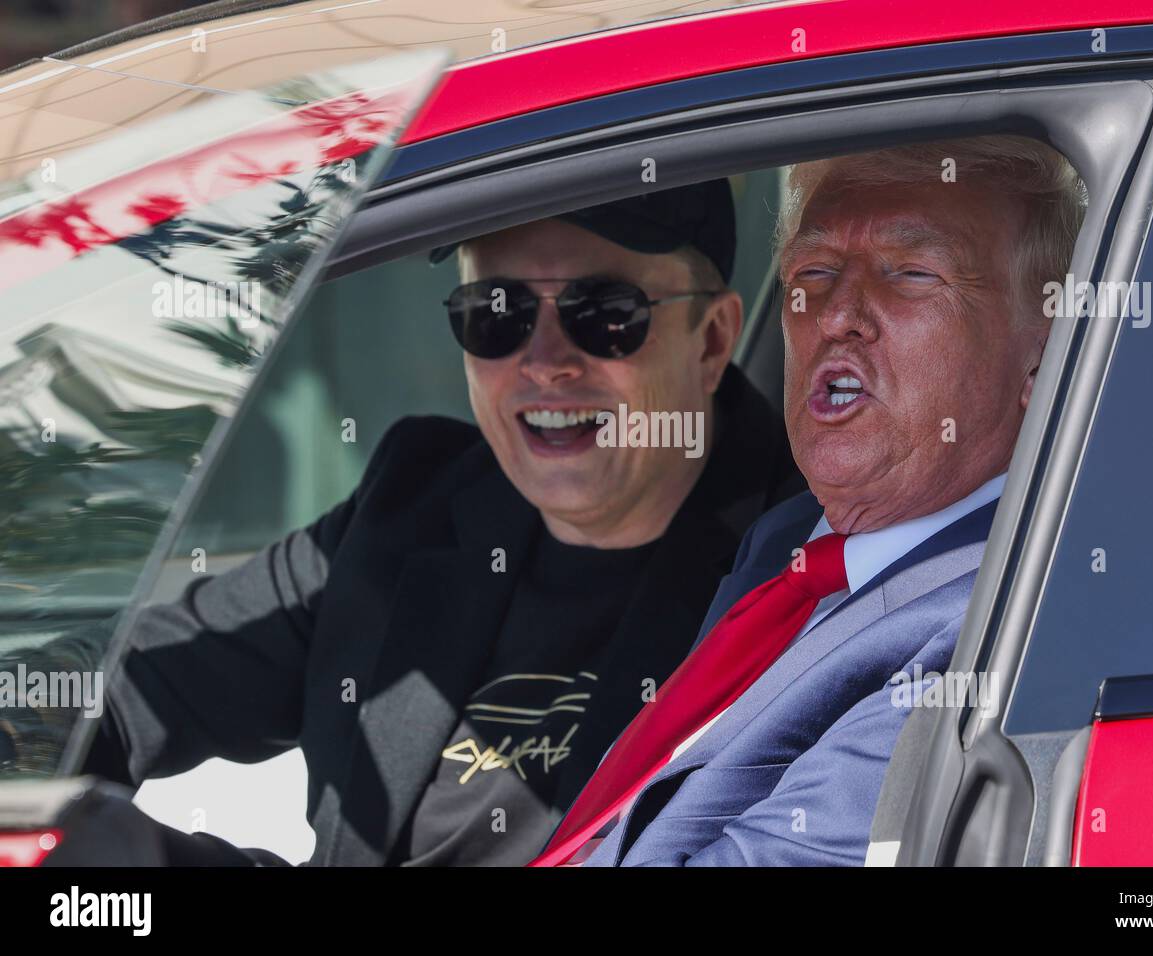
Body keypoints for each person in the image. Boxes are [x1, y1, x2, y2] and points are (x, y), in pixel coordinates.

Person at [5, 179, 800, 866]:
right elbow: (127, 686)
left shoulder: (811, 560)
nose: (546, 361)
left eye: (605, 313)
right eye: (497, 312)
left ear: (713, 338)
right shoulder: (414, 501)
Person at [534, 136, 1086, 867]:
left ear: (1041, 354)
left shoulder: (993, 629)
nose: (836, 315)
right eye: (813, 271)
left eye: (912, 274)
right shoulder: (790, 540)